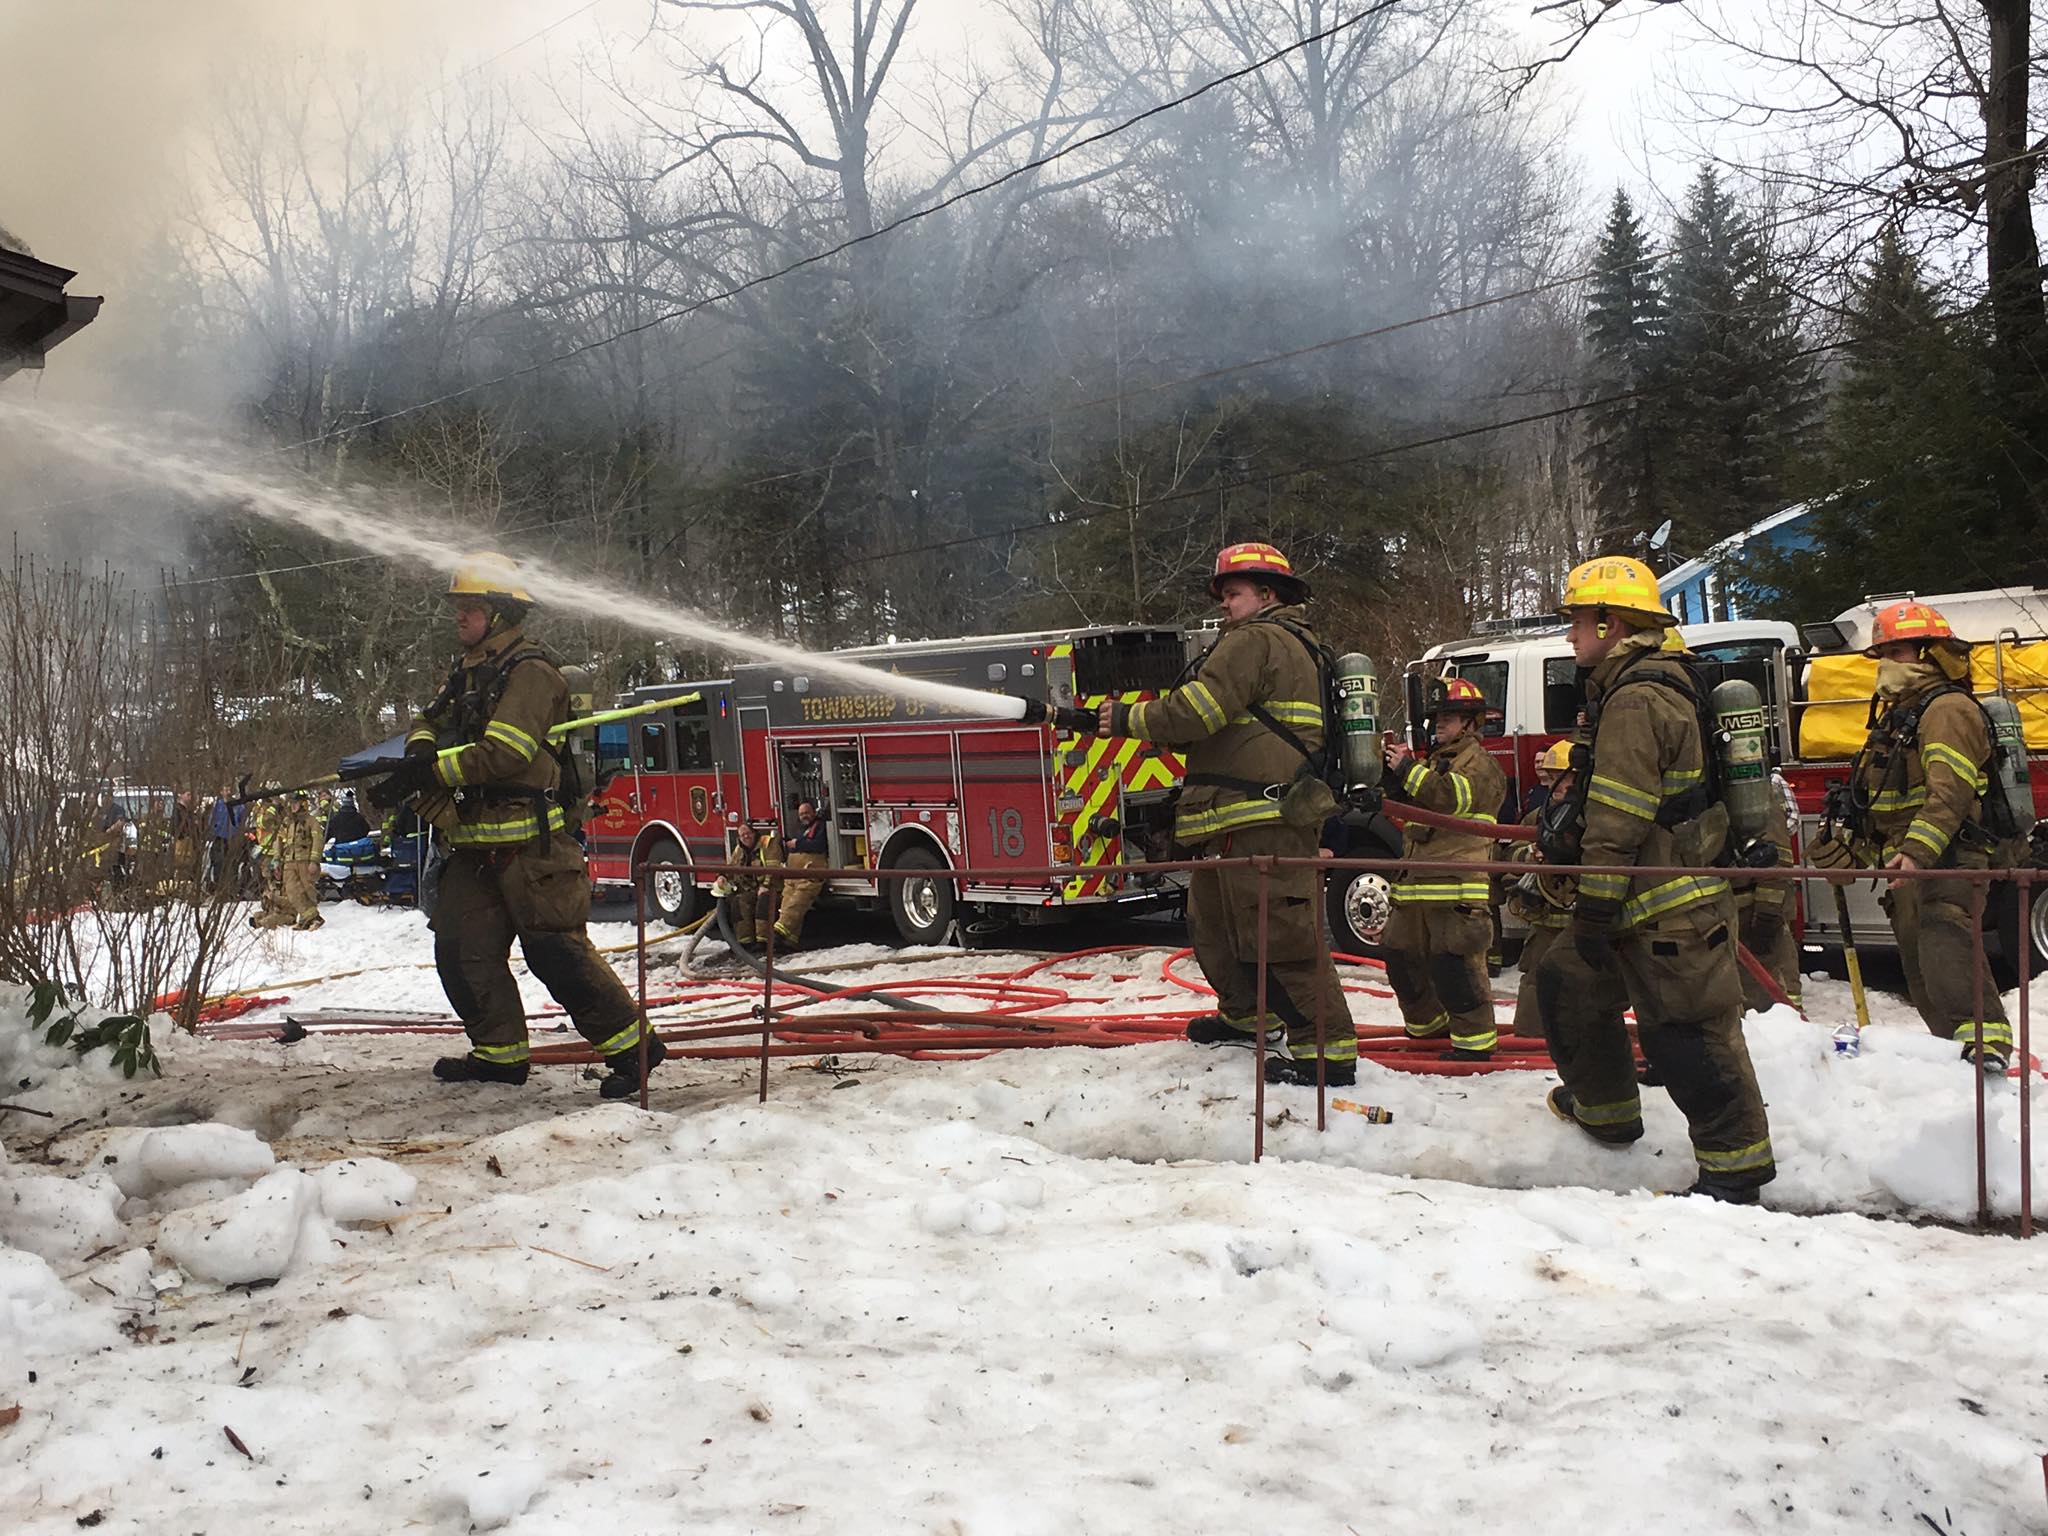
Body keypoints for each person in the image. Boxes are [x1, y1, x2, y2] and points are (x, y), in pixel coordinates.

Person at [369, 553, 661, 1096]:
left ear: (501, 613)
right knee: (460, 947)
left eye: (470, 607)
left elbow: (506, 752)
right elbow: (426, 720)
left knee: (555, 953)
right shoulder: (467, 671)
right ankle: (499, 1055)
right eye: (457, 607)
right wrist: (419, 752)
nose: (459, 617)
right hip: (473, 845)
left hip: (533, 847)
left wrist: (430, 771)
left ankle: (635, 1053)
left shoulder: (530, 673)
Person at [1537, 554, 1774, 1203]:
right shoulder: (1635, 687)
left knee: (1688, 1038)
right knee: (1568, 981)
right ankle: (1608, 1114)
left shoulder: (1637, 698)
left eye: (1579, 621)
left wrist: (1593, 906)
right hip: (1648, 900)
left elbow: (1618, 816)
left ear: (1612, 624)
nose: (1570, 635)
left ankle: (1736, 1172)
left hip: (1670, 907)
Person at [1096, 541, 1353, 1086]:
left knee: (1280, 938)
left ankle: (1328, 1053)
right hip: (1234, 821)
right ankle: (1246, 1019)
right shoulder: (1286, 645)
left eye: (1232, 593)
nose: (1225, 606)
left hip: (1264, 819)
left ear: (1266, 594)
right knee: (1213, 928)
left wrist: (1124, 718)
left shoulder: (1256, 639)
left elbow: (1196, 712)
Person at [1825, 600, 2011, 1073]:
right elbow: (1883, 802)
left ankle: (1987, 1053)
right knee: (1923, 970)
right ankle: (1953, 1062)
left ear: (1930, 653)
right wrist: (1850, 850)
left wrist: (1916, 852)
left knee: (1946, 946)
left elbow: (1950, 791)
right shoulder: (1899, 715)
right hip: (1913, 866)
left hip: (1950, 860)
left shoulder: (1947, 709)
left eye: (1897, 651)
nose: (1886, 664)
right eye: (1882, 653)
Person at [1380, 676, 1508, 1060]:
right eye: (1435, 716)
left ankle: (1474, 1046)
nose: (1439, 723)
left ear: (1471, 722)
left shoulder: (1481, 765)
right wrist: (1392, 778)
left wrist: (1407, 769)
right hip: (1414, 885)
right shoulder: (1436, 761)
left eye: (1449, 717)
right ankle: (1427, 1031)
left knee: (1456, 969)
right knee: (1401, 961)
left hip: (1455, 888)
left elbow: (1449, 798)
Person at [1731, 771, 1802, 1013]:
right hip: (1749, 905)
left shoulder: (1757, 789)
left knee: (1773, 955)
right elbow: (1792, 822)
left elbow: (1776, 853)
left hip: (1758, 905)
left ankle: (1787, 1011)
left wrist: (1766, 915)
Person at [250, 791, 324, 930]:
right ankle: (309, 917)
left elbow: (318, 841)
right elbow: (279, 840)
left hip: (305, 861)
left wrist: (314, 861)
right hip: (289, 861)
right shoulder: (287, 822)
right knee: (291, 890)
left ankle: (311, 919)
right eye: (291, 803)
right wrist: (277, 860)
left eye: (295, 803)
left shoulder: (311, 821)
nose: (293, 806)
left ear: (303, 804)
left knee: (307, 890)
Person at [722, 816, 785, 948]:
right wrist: (722, 877)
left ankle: (764, 942)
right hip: (751, 890)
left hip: (772, 888)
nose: (745, 837)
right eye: (742, 835)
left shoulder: (768, 844)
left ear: (754, 833)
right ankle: (745, 943)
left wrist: (766, 886)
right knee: (738, 902)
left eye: (748, 834)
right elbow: (731, 867)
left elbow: (774, 868)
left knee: (763, 901)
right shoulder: (739, 849)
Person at [774, 799, 829, 949]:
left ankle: (779, 931)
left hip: (810, 871)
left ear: (813, 813)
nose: (804, 816)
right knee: (787, 899)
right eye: (801, 814)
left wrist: (797, 844)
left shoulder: (820, 827)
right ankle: (790, 940)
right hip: (793, 873)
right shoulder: (801, 829)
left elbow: (820, 845)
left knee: (798, 900)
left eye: (807, 813)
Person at [207, 785, 246, 892]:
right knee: (218, 864)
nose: (228, 792)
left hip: (233, 839)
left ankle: (231, 889)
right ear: (221, 792)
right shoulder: (217, 806)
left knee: (232, 865)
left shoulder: (238, 805)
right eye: (226, 789)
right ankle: (218, 889)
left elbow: (242, 822)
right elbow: (211, 822)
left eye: (229, 789)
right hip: (219, 839)